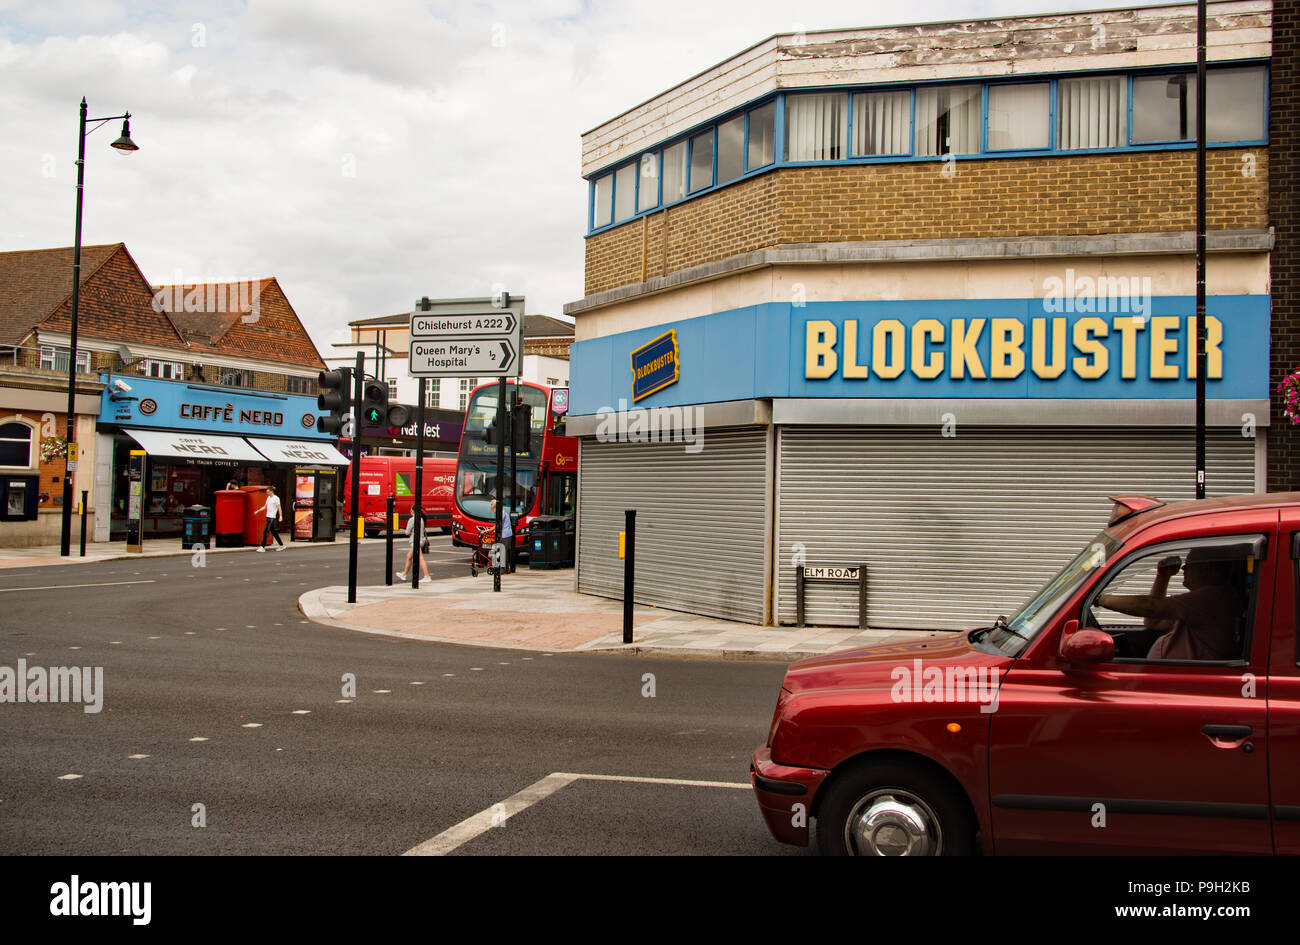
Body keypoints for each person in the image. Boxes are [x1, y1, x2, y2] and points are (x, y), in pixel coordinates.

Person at [1096, 548, 1247, 661]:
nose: (1183, 568)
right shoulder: (1203, 604)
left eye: (1189, 563)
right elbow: (1153, 621)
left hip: (1182, 684)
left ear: (1208, 567)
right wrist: (1163, 577)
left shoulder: (1213, 597)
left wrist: (1100, 599)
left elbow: (1150, 607)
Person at [396, 510, 429, 582]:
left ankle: (427, 576)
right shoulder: (421, 519)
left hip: (415, 541)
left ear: (413, 511)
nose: (410, 512)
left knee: (420, 558)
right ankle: (404, 574)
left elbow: (407, 532)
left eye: (411, 510)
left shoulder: (412, 519)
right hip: (421, 540)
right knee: (409, 556)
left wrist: (410, 532)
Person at [257, 485, 285, 552]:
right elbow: (265, 507)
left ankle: (262, 546)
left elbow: (279, 507)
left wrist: (280, 516)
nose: (267, 493)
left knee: (266, 531)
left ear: (271, 491)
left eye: (268, 492)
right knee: (273, 532)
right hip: (268, 516)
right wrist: (258, 511)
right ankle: (281, 545)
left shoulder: (276, 498)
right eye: (267, 492)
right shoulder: (268, 498)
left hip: (272, 517)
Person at [490, 499, 514, 572]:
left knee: (502, 552)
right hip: (505, 534)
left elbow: (497, 525)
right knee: (503, 551)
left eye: (492, 508)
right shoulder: (502, 513)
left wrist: (487, 530)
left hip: (505, 535)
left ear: (494, 508)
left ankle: (503, 569)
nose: (492, 510)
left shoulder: (501, 514)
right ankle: (506, 568)